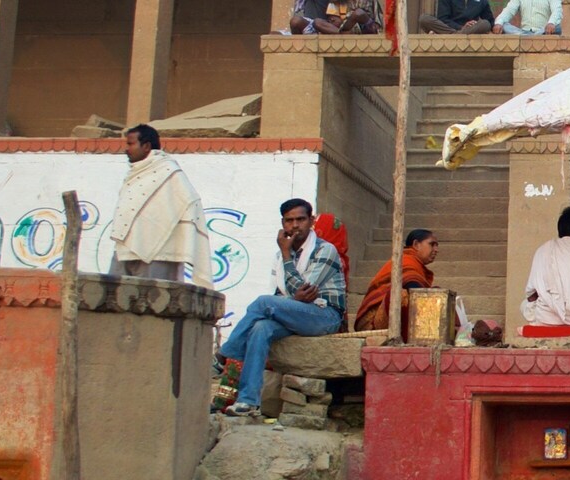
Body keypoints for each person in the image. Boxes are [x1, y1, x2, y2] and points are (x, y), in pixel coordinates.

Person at [218, 199, 347, 417]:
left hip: (325, 316)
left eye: (301, 219)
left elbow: (304, 290)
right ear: (283, 223)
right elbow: (287, 295)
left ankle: (226, 354)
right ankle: (248, 402)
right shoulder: (280, 255)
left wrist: (287, 255)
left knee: (263, 302)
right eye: (290, 221)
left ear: (311, 221)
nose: (295, 225)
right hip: (297, 313)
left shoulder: (325, 249)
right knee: (261, 328)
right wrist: (291, 288)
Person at [108, 125, 213, 288]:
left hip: (159, 252)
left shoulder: (169, 172)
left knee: (153, 303)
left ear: (147, 146)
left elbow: (190, 202)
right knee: (113, 298)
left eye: (130, 144)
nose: (126, 149)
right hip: (126, 247)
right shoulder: (136, 173)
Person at [356, 229, 439, 333]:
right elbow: (417, 291)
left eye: (437, 246)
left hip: (388, 316)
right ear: (416, 244)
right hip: (371, 321)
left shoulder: (417, 265)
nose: (436, 250)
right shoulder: (405, 260)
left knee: (439, 295)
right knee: (401, 295)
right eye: (432, 244)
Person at [288, 0, 381, 34]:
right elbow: (333, 20)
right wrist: (338, 22)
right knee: (317, 22)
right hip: (344, 28)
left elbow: (376, 21)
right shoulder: (335, 2)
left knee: (358, 13)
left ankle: (344, 34)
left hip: (363, 27)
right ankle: (344, 34)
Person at [419, 0, 495, 34]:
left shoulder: (482, 1)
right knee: (424, 19)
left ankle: (455, 35)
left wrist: (497, 26)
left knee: (485, 24)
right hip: (448, 28)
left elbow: (489, 22)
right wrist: (461, 27)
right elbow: (443, 19)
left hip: (471, 30)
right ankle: (457, 34)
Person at [491, 0, 561, 35]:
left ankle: (533, 36)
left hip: (544, 31)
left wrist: (551, 23)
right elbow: (509, 10)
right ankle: (530, 36)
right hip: (523, 32)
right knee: (504, 25)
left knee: (557, 27)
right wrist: (498, 23)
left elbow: (557, 10)